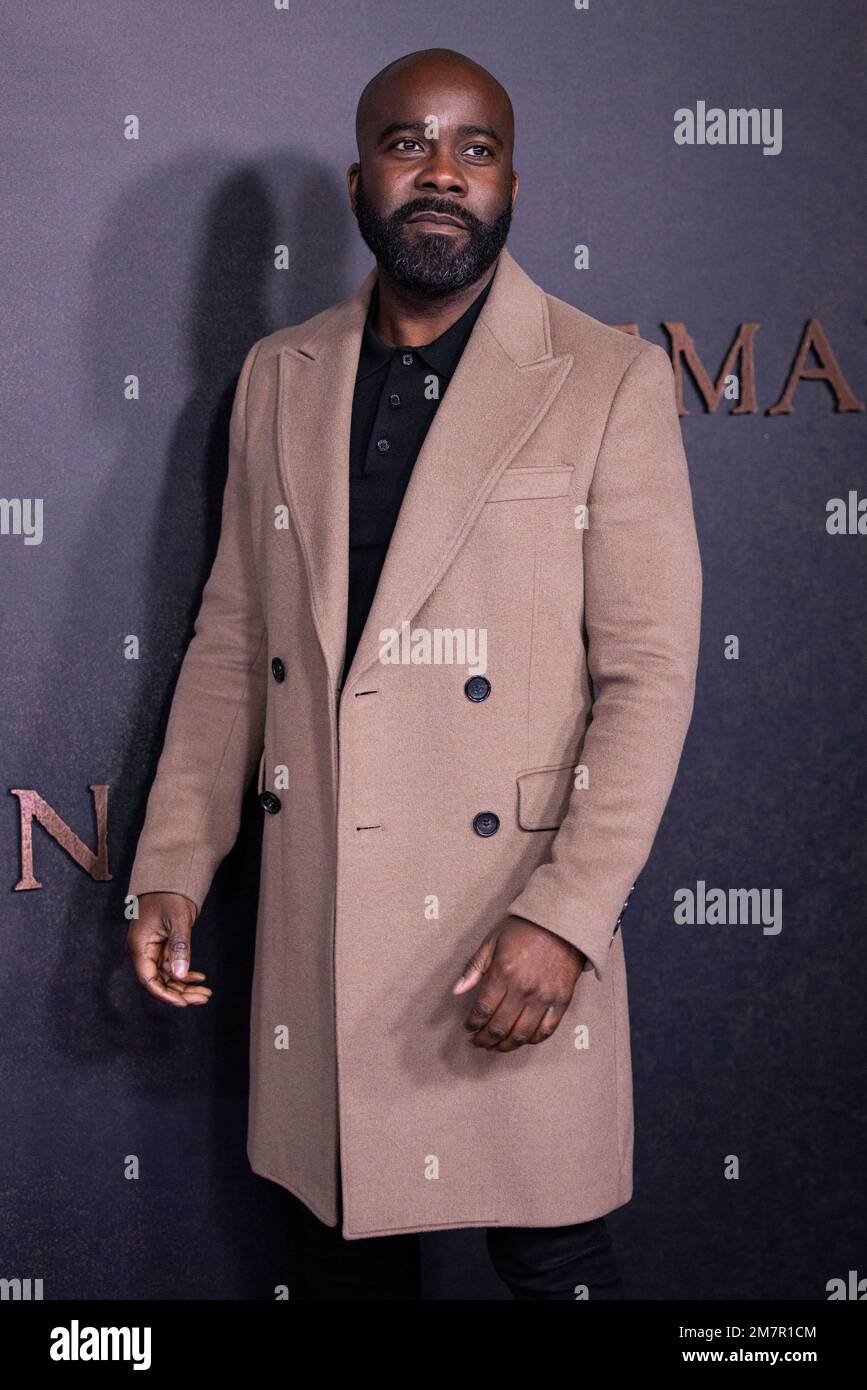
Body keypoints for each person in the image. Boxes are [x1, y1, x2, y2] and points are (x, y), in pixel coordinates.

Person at [126, 46, 702, 1300]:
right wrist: (172, 861)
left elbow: (651, 675)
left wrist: (566, 916)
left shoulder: (609, 377)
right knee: (345, 1260)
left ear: (511, 183)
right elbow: (233, 639)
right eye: (408, 144)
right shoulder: (282, 376)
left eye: (475, 149)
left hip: (510, 913)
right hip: (329, 915)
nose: (442, 172)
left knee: (554, 1257)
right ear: (358, 178)